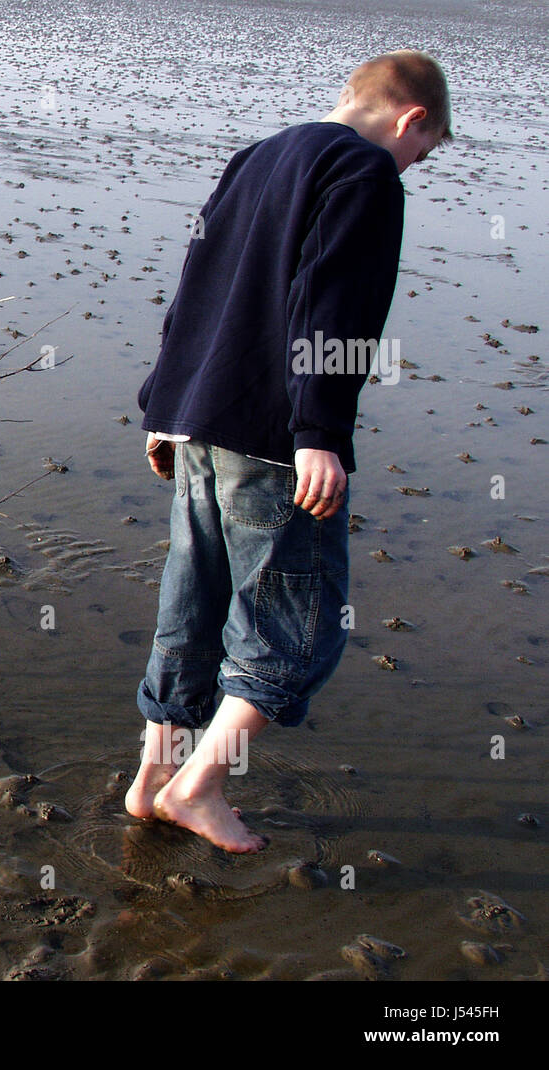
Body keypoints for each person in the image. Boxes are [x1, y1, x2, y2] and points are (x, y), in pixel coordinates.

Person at [125, 51, 452, 853]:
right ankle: (197, 788)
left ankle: (150, 777)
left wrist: (163, 407)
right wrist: (321, 436)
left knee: (193, 605)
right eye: (427, 149)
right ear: (410, 120)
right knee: (295, 632)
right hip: (271, 433)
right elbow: (334, 308)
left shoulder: (259, 155)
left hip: (199, 417)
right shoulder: (367, 173)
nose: (416, 163)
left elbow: (196, 278)